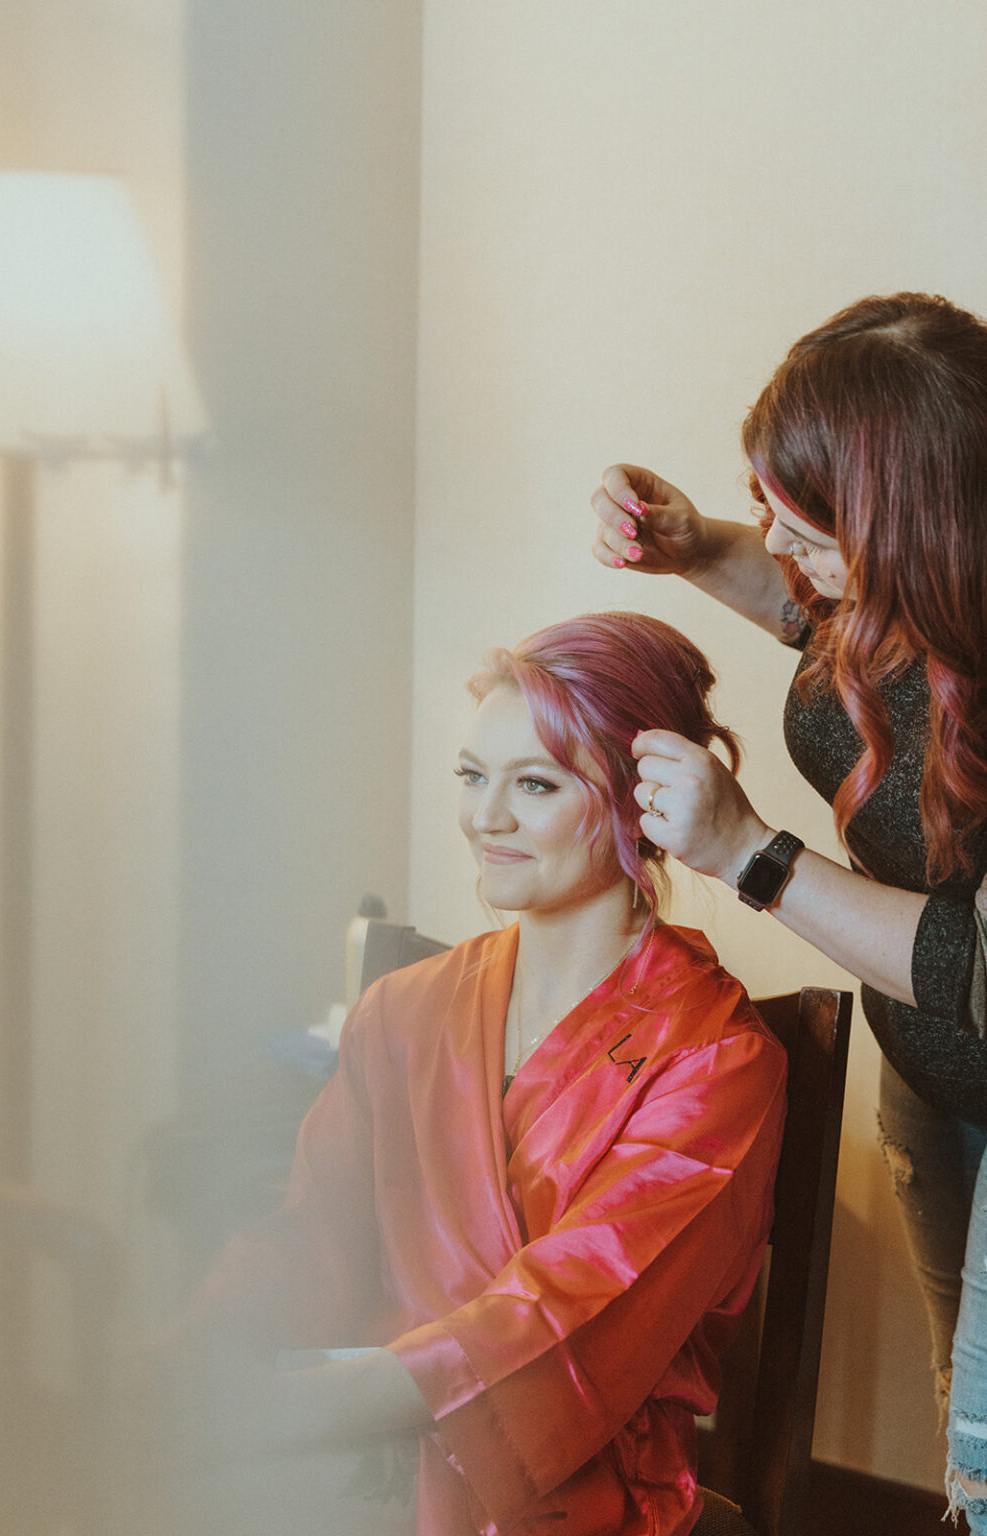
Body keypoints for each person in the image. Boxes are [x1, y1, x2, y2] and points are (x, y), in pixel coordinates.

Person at [138, 611, 786, 1536]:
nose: (486, 818)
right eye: (473, 777)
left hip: (579, 1491)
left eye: (534, 784)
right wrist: (174, 1369)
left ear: (640, 800)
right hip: (372, 1459)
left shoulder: (715, 1058)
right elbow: (311, 1240)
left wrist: (305, 1410)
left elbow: (572, 1310)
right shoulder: (404, 1011)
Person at [589, 291, 987, 1531]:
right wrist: (695, 541)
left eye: (799, 521)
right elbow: (825, 618)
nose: (777, 539)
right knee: (960, 1412)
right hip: (933, 1080)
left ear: (909, 521)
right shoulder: (905, 590)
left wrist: (749, 857)